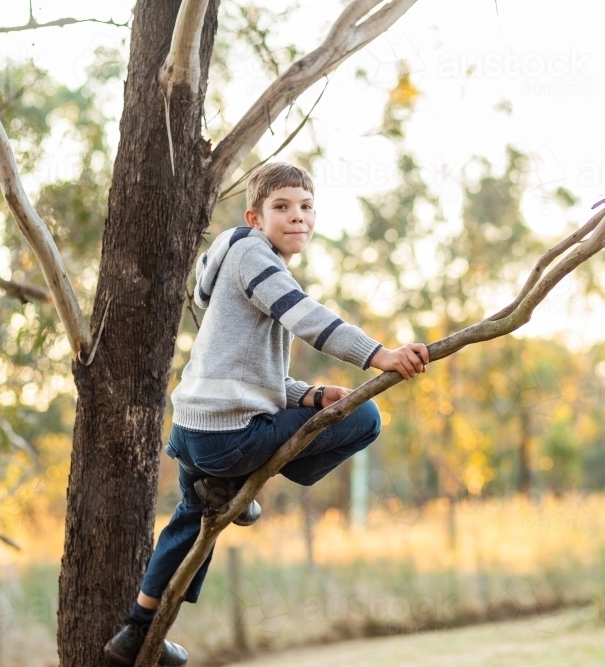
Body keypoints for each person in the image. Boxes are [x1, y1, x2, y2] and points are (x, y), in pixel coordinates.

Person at [104, 162, 430, 666]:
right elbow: (306, 317)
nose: (296, 217)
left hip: (194, 429)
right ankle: (240, 480)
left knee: (190, 518)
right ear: (255, 217)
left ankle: (136, 628)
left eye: (305, 206)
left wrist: (308, 396)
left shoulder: (240, 257)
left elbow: (254, 376)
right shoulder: (257, 258)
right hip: (229, 437)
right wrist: (378, 355)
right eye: (282, 207)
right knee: (365, 419)